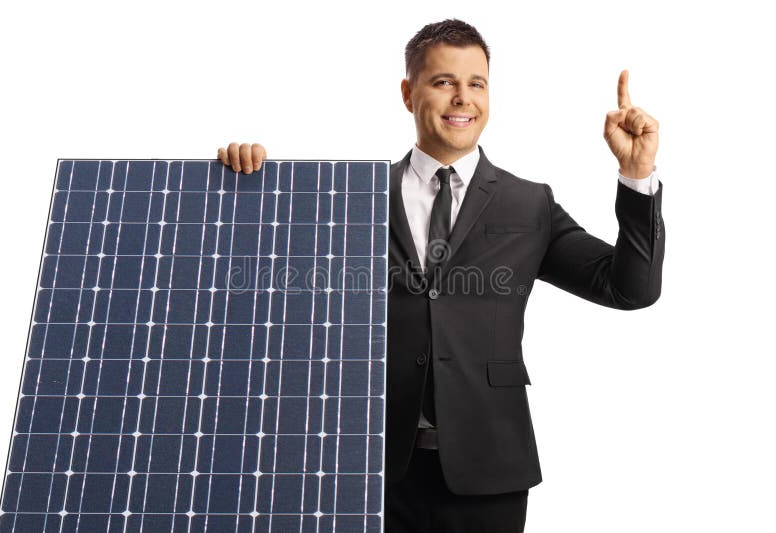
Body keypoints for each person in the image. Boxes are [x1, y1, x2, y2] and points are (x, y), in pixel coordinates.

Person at [218, 18, 664, 533]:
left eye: (477, 83)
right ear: (408, 94)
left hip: (489, 469)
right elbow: (263, 295)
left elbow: (629, 288)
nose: (462, 98)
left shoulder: (529, 203)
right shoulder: (352, 197)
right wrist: (244, 191)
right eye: (443, 81)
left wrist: (637, 175)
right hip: (368, 467)